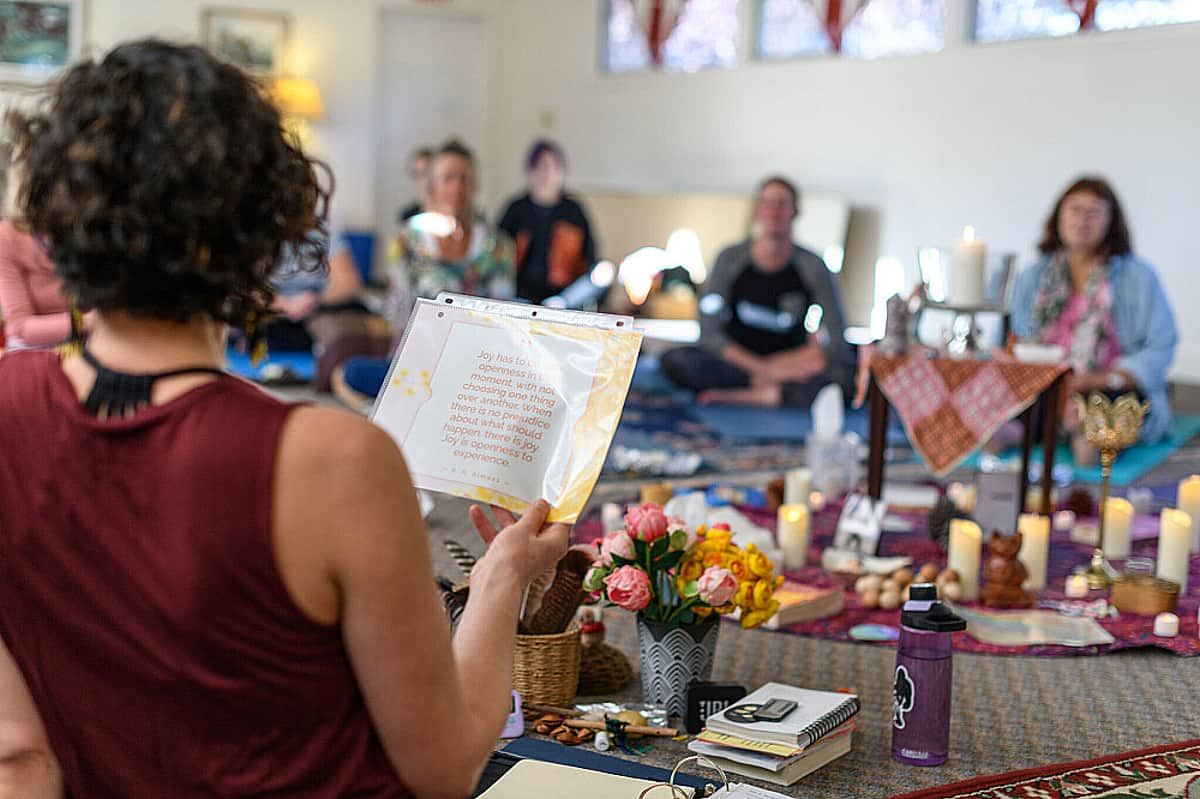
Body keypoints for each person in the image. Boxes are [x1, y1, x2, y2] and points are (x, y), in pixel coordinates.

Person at [0, 39, 568, 799]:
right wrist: (502, 574)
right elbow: (443, 766)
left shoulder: (8, 401)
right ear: (257, 225)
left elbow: (21, 754)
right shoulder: (335, 458)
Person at [1010, 176, 1177, 457]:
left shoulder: (1137, 277)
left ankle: (1082, 433)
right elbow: (1020, 340)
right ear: (1058, 216)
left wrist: (1099, 379)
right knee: (1003, 430)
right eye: (1075, 209)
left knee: (1092, 447)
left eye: (1094, 212)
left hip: (1109, 386)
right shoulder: (1034, 276)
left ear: (1111, 222)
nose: (1082, 220)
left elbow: (1159, 347)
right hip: (1046, 386)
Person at [337, 140, 514, 405]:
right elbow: (398, 314)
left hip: (477, 363)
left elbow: (504, 314)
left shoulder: (498, 246)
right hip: (419, 361)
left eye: (465, 178)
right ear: (431, 186)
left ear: (475, 186)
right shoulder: (407, 239)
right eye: (448, 178)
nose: (457, 187)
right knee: (352, 372)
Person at [660, 176, 854, 407]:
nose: (774, 211)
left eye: (782, 203)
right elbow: (709, 332)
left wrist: (780, 366)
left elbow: (836, 338)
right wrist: (762, 368)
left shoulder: (814, 266)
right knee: (676, 361)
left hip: (790, 362)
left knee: (848, 374)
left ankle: (747, 395)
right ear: (758, 210)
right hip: (738, 360)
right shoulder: (729, 259)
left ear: (794, 211)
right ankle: (771, 391)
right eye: (767, 203)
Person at [498, 139, 596, 304]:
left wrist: (566, 299)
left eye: (554, 167)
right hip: (519, 297)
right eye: (541, 167)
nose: (547, 174)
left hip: (564, 299)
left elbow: (589, 261)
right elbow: (498, 254)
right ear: (530, 171)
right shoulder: (516, 210)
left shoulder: (574, 212)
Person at [0, 220, 72, 350]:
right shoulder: (8, 235)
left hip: (100, 338)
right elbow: (19, 326)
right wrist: (89, 322)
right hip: (36, 347)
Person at [397, 146, 433, 224]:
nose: (425, 179)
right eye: (417, 173)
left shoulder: (452, 212)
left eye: (427, 171)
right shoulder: (409, 215)